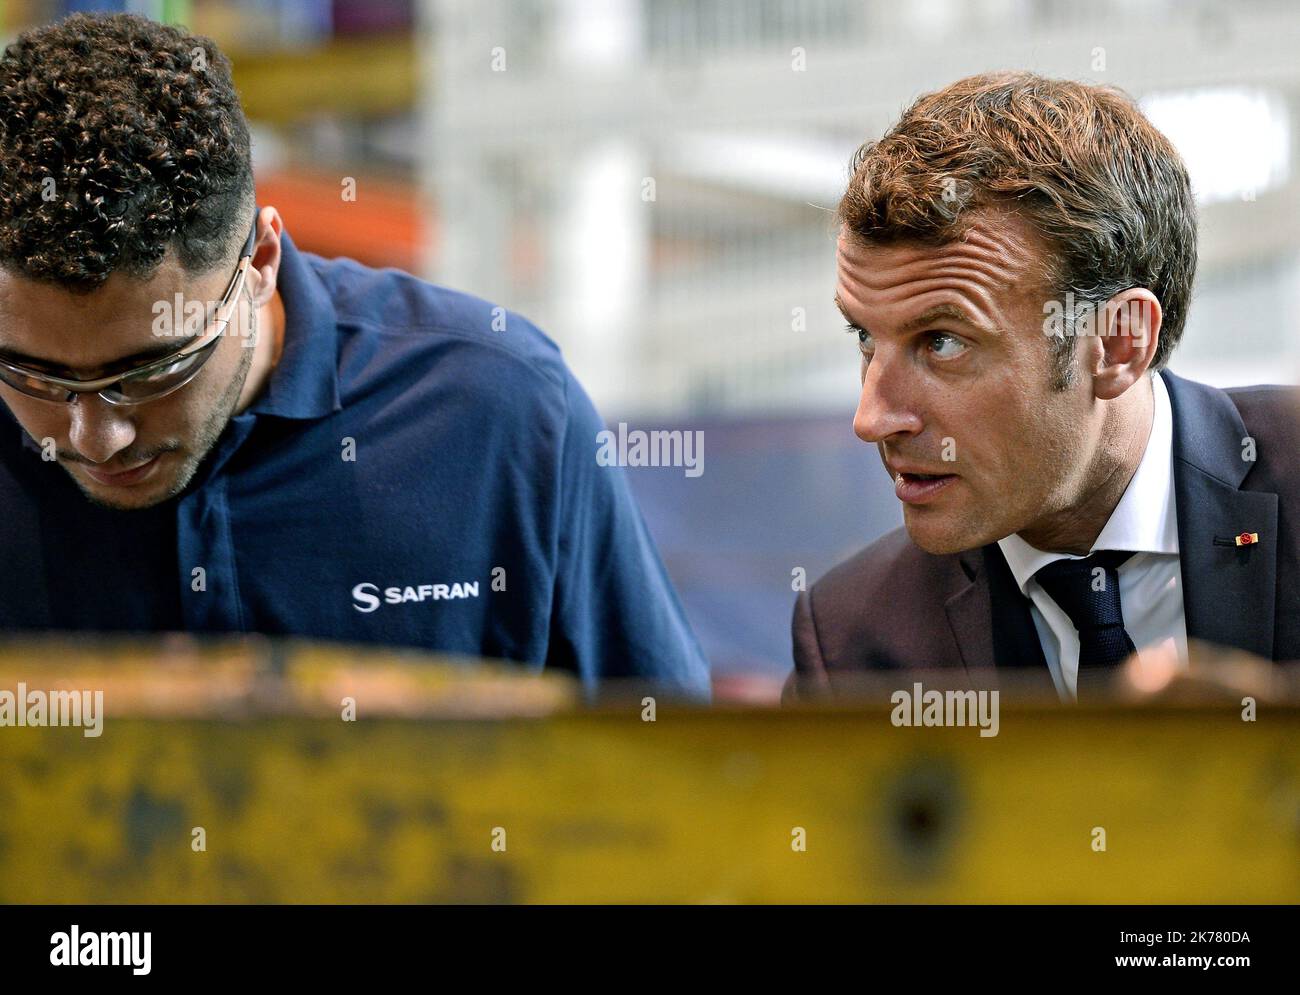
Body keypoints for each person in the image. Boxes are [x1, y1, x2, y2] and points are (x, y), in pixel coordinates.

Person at [0, 13, 709, 699]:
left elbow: (679, 767)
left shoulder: (500, 415)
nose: (94, 436)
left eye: (151, 370)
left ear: (264, 260)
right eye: (32, 373)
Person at [788, 71, 1300, 703]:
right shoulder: (851, 644)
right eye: (866, 338)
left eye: (942, 342)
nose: (872, 418)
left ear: (1118, 343)